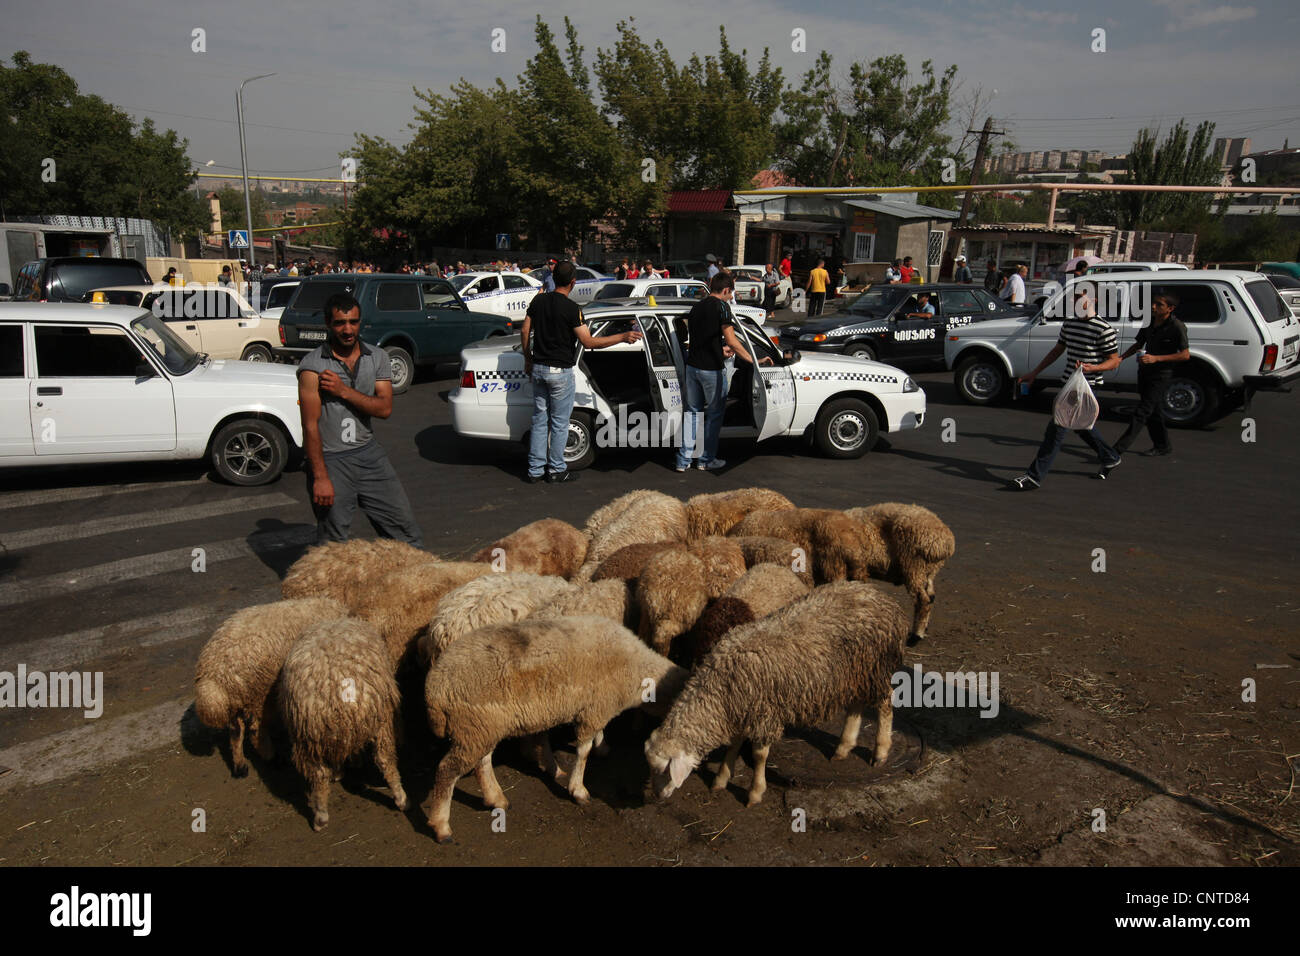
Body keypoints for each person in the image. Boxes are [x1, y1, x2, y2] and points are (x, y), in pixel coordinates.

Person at [297, 292, 423, 545]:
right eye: (340, 323)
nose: (347, 329)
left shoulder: (377, 357)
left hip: (368, 453)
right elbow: (310, 426)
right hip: (331, 459)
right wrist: (320, 477)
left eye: (353, 322)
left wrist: (342, 391)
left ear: (360, 322)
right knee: (333, 543)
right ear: (328, 324)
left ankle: (408, 582)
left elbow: (384, 409)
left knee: (405, 532)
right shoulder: (312, 367)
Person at [520, 262, 642, 483]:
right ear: (573, 282)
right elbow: (588, 342)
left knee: (539, 421)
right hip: (560, 373)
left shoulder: (538, 301)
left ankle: (535, 470)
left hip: (538, 368)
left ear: (553, 278)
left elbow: (524, 329)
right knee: (559, 423)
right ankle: (556, 469)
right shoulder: (571, 308)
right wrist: (622, 337)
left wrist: (528, 358)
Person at [1009, 284, 1122, 490]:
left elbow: (1114, 361)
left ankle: (1034, 476)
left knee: (1056, 430)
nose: (1074, 301)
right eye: (1072, 298)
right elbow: (1057, 350)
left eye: (1079, 297)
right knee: (1081, 426)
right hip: (1068, 384)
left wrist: (1093, 367)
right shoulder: (1070, 324)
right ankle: (1110, 456)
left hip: (1087, 386)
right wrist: (1034, 373)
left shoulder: (1103, 328)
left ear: (1094, 299)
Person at [675, 273, 772, 472]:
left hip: (692, 368)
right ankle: (706, 460)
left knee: (692, 414)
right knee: (714, 415)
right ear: (726, 290)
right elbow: (733, 341)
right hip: (711, 370)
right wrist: (755, 360)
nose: (731, 296)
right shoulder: (722, 307)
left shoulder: (697, 306)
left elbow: (701, 340)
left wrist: (720, 351)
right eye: (732, 292)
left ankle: (682, 461)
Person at [1110, 291, 1189, 457]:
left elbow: (1184, 354)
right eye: (1153, 303)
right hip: (1144, 372)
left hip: (1161, 374)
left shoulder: (1177, 327)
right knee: (1154, 410)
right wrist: (1121, 358)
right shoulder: (1149, 322)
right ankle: (1162, 446)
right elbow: (1138, 343)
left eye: (1159, 304)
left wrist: (1156, 358)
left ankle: (1116, 451)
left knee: (1142, 412)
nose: (1153, 307)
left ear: (1170, 308)